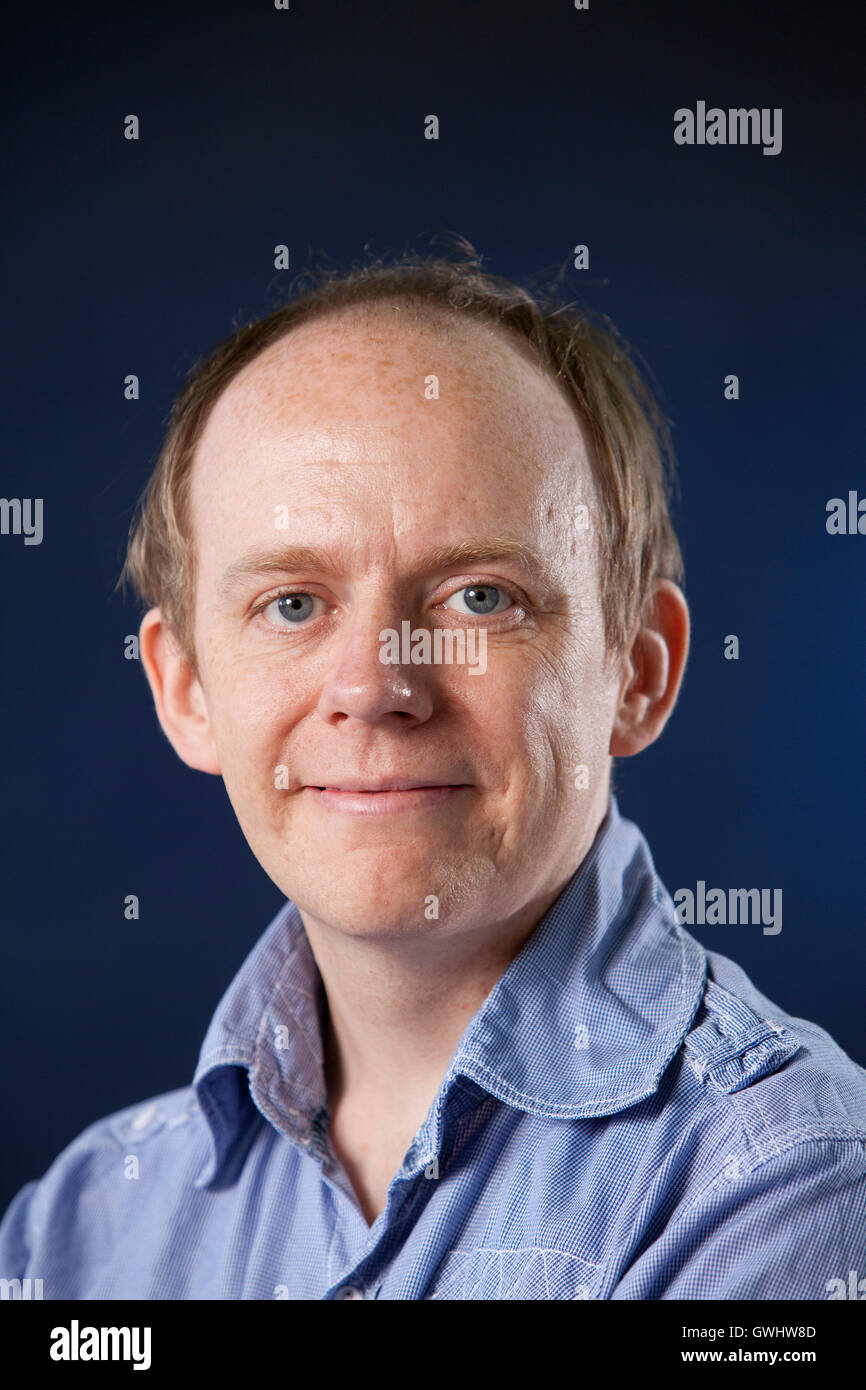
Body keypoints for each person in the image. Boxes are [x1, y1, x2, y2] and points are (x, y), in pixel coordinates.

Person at [2, 252, 865, 1300]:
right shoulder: (81, 1229)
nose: (373, 686)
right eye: (291, 604)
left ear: (635, 672)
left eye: (478, 599)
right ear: (185, 690)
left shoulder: (786, 1183)